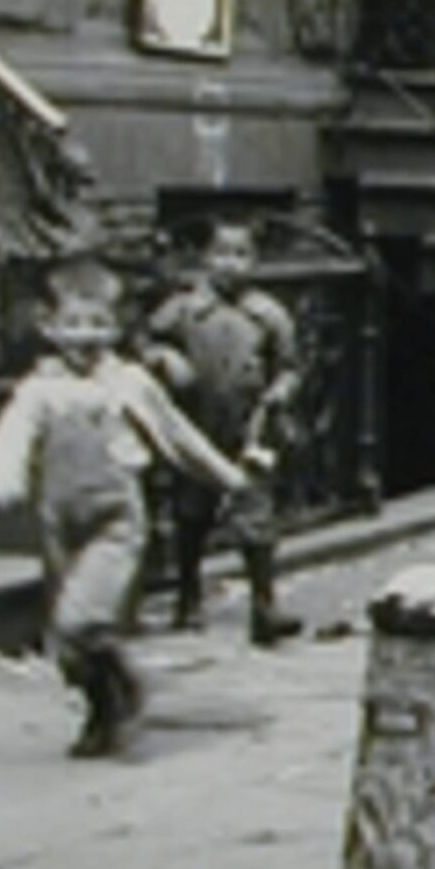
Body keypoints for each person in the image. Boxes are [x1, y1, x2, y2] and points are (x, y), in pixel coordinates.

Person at [0, 257, 259, 757]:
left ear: (115, 329)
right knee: (68, 641)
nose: (85, 337)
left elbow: (178, 435)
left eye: (98, 324)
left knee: (81, 618)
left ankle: (123, 685)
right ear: (49, 328)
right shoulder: (41, 389)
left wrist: (226, 475)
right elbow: (13, 436)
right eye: (72, 324)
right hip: (59, 521)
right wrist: (6, 478)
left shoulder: (129, 382)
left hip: (115, 517)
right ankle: (102, 709)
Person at [142, 219, 303, 645]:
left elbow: (290, 366)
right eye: (221, 254)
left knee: (256, 515)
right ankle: (188, 593)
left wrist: (280, 392)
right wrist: (163, 359)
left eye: (240, 255)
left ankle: (264, 604)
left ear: (255, 261)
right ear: (204, 259)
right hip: (197, 426)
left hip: (251, 427)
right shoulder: (183, 309)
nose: (230, 265)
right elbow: (145, 343)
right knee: (192, 512)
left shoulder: (268, 314)